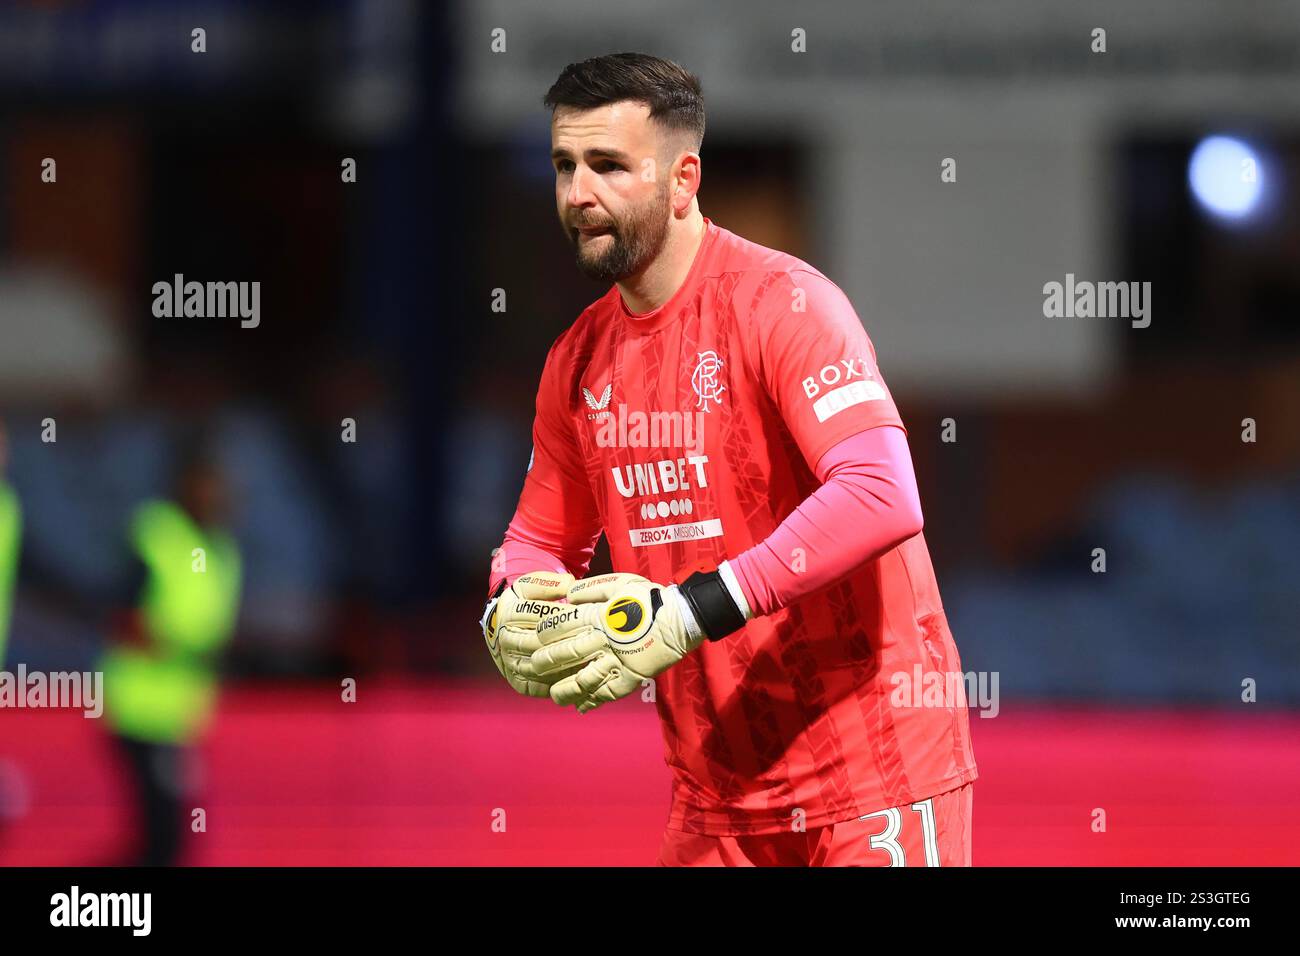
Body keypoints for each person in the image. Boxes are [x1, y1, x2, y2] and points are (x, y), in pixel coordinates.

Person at [480, 53, 978, 867]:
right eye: (565, 166)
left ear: (683, 180)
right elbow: (539, 543)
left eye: (608, 166)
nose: (578, 195)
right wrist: (508, 606)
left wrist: (690, 610)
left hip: (875, 780)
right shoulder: (574, 363)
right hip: (717, 804)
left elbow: (883, 491)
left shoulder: (785, 304)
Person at [99, 442, 242, 866]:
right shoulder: (158, 534)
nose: (213, 493)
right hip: (140, 711)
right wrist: (179, 649)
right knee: (164, 838)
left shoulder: (222, 550)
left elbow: (212, 629)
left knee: (169, 839)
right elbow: (124, 616)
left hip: (180, 717)